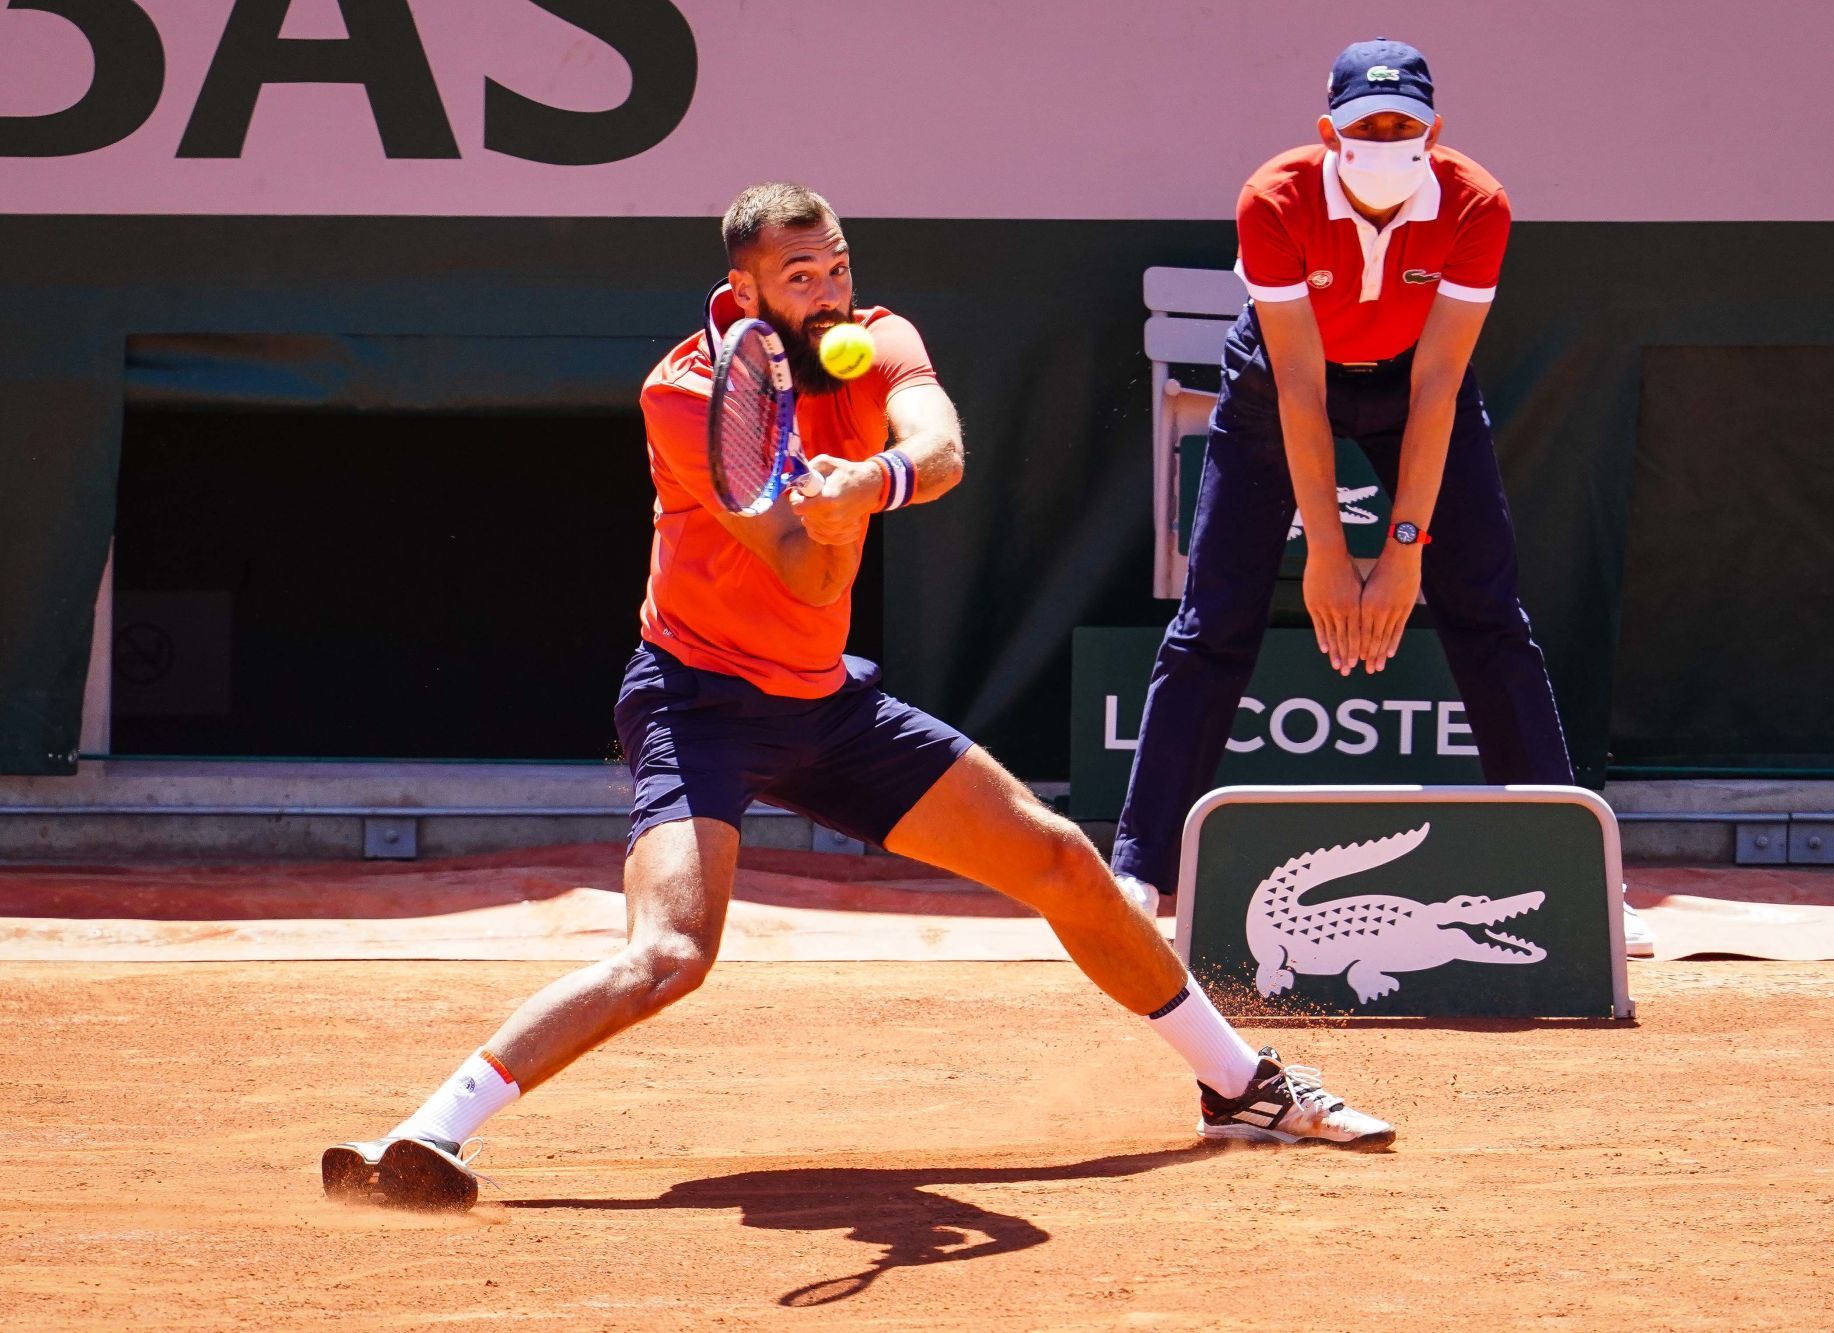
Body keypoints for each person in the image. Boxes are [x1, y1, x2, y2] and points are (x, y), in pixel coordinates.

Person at [322, 181, 1393, 1211]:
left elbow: (943, 445)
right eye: (799, 276)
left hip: (826, 705)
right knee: (671, 955)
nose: (828, 293)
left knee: (1060, 858)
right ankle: (420, 1134)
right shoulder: (684, 392)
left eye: (836, 266)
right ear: (743, 294)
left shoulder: (877, 336)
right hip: (697, 701)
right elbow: (801, 571)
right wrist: (830, 526)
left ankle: (1239, 1087)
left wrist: (868, 483)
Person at [1109, 39, 1655, 959]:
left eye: (1405, 125)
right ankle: (1140, 870)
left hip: (1415, 383)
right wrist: (1326, 548)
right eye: (1368, 125)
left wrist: (1402, 550)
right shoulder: (1274, 197)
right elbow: (1299, 388)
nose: (1387, 139)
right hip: (1279, 381)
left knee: (1487, 610)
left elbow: (1440, 380)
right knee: (1214, 622)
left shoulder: (1478, 202)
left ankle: (1577, 878)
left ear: (1433, 132)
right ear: (1331, 132)